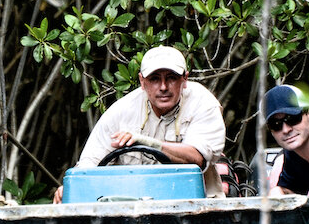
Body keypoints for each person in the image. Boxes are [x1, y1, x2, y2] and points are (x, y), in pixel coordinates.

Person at [53, 45, 226, 203]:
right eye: (155, 79)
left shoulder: (204, 104)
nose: (163, 87)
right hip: (129, 210)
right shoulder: (120, 111)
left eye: (171, 78)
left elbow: (196, 157)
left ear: (185, 79)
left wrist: (145, 142)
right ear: (142, 81)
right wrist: (70, 188)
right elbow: (89, 164)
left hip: (198, 207)